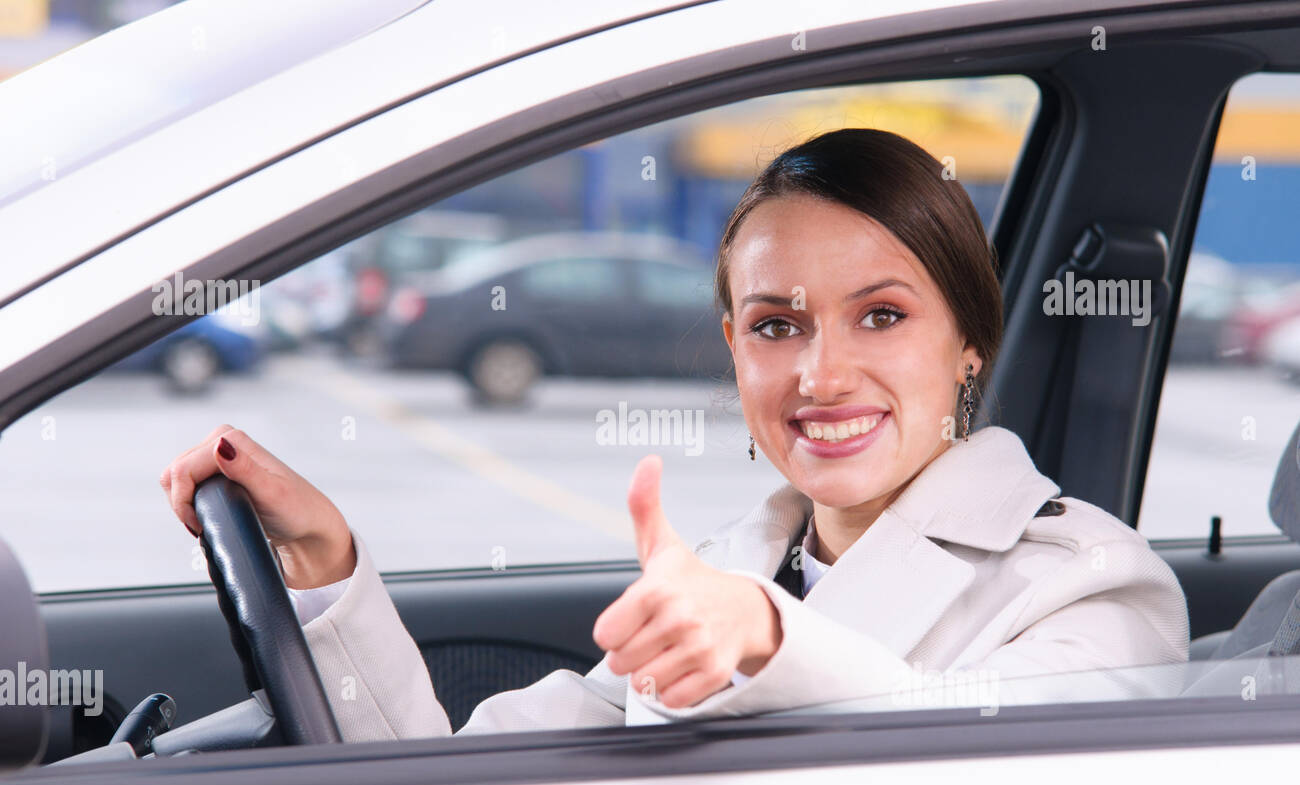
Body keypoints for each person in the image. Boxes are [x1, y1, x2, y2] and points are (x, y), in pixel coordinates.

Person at [159, 128, 1189, 742]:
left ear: (969, 343)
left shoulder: (1093, 581)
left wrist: (765, 638)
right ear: (736, 350)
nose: (821, 373)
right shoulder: (739, 563)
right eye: (776, 325)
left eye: (882, 314)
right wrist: (327, 561)